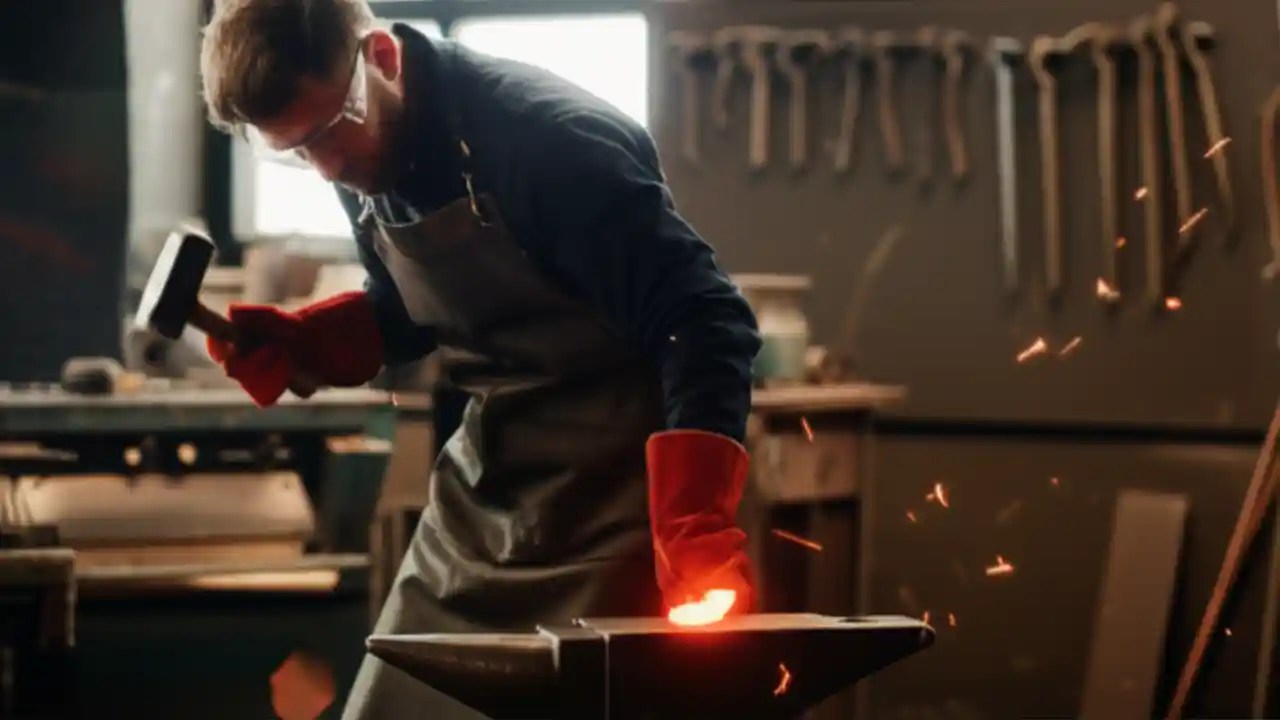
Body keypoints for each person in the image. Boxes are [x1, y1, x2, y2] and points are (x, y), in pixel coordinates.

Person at [198, 1, 762, 717]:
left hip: (621, 508)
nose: (325, 166)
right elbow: (419, 304)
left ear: (383, 58)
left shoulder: (548, 144)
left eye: (330, 132)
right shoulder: (355, 154)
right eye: (294, 149)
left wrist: (694, 524)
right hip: (485, 501)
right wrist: (318, 340)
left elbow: (704, 319)